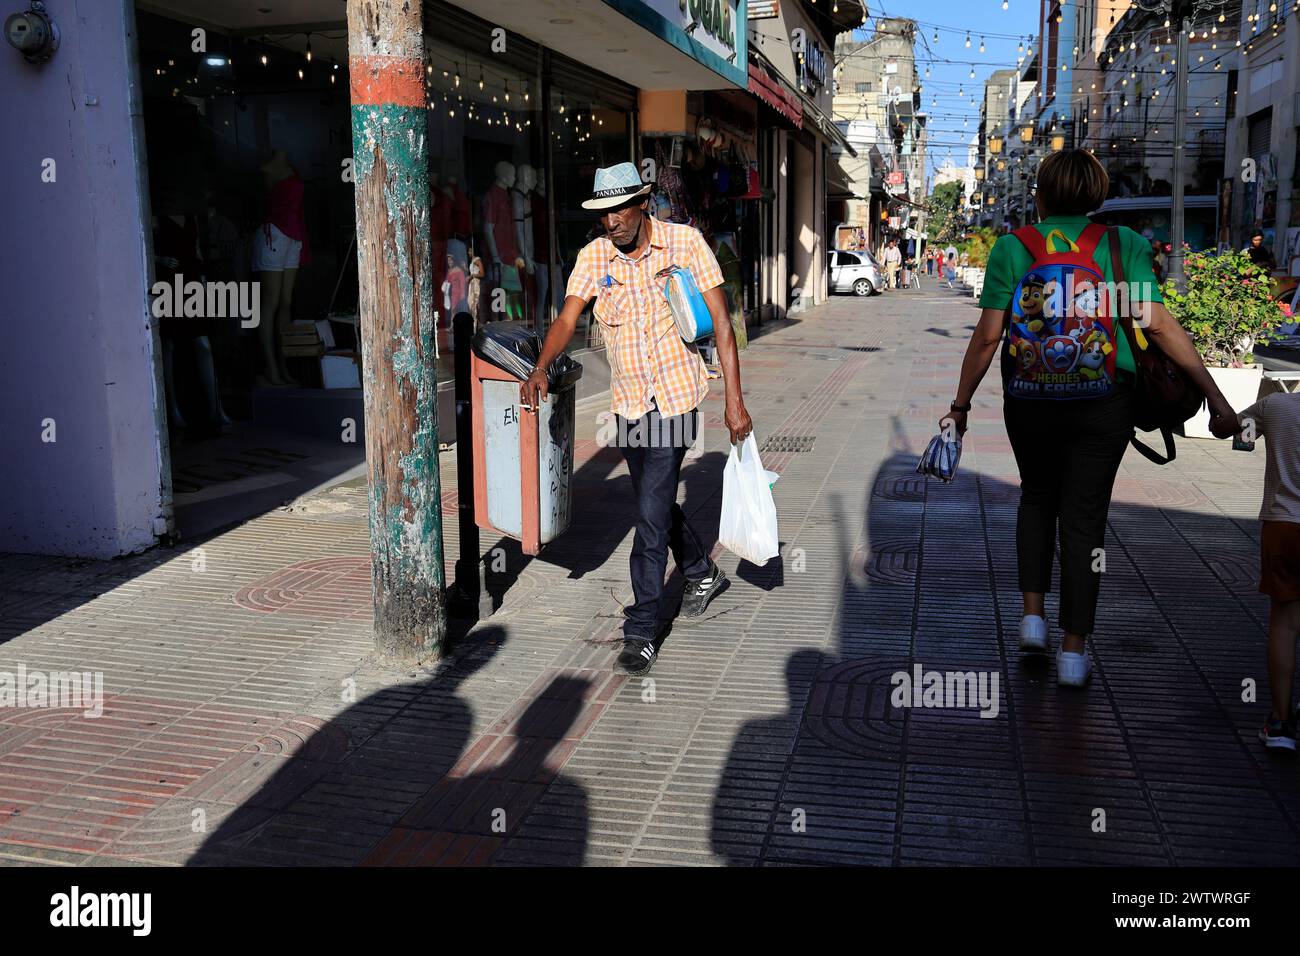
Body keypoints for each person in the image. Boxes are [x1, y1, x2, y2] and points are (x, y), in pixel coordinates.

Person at [942, 148, 1239, 687]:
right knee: (1085, 518)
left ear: (1040, 196)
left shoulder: (1014, 247)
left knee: (1036, 499)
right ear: (1097, 196)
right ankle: (1073, 652)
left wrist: (960, 407)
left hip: (1030, 398)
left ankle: (1033, 620)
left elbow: (987, 337)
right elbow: (1158, 325)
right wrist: (1215, 398)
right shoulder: (1122, 246)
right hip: (1104, 401)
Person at [520, 162, 753, 677]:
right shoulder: (594, 256)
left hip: (675, 399)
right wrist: (540, 368)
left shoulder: (684, 244)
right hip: (628, 403)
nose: (612, 222)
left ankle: (642, 628)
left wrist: (734, 401)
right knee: (656, 501)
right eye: (603, 213)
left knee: (647, 518)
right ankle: (701, 571)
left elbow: (722, 321)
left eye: (620, 210)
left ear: (643, 203)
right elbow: (567, 317)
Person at [1214, 393, 1300, 749]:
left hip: (1284, 526)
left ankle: (1280, 724)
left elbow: (1227, 429)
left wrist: (1215, 407)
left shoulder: (1276, 406)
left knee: (1285, 623)